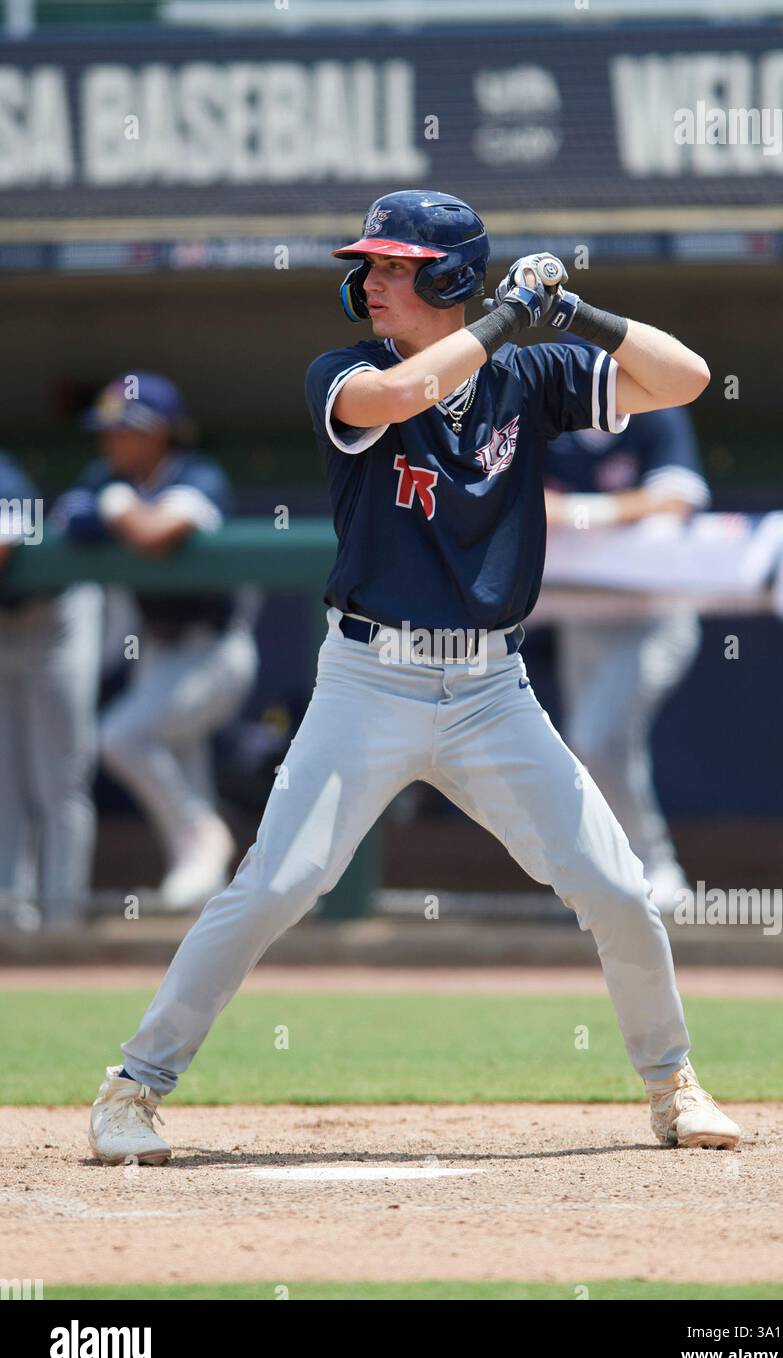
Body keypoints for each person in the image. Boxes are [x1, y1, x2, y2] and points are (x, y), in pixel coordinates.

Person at [87, 191, 740, 1165]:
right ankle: (133, 1086)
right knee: (275, 883)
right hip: (367, 680)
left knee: (613, 884)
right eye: (372, 265)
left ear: (447, 275)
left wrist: (570, 315)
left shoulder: (531, 371)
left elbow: (683, 378)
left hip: (491, 691)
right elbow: (403, 399)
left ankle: (671, 1081)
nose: (371, 281)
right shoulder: (342, 372)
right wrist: (503, 317)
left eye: (397, 266)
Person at [52, 373, 259, 913]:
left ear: (160, 432)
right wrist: (110, 505)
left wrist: (116, 509)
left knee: (120, 738)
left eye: (125, 431)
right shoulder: (106, 476)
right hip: (157, 650)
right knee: (175, 760)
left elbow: (156, 534)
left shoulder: (198, 475)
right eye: (108, 431)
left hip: (215, 651)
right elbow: (69, 519)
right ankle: (201, 882)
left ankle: (205, 837)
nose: (111, 442)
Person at [543, 372, 710, 913]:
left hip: (655, 613)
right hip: (582, 615)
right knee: (586, 751)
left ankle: (657, 866)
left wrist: (585, 513)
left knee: (599, 736)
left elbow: (676, 500)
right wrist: (608, 514)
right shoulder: (551, 429)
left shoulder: (657, 414)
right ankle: (608, 876)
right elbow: (522, 502)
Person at [0, 452, 103, 932]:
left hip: (53, 618)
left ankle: (62, 917)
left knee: (58, 776)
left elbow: (5, 542)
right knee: (5, 779)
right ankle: (9, 912)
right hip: (6, 626)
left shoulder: (7, 474)